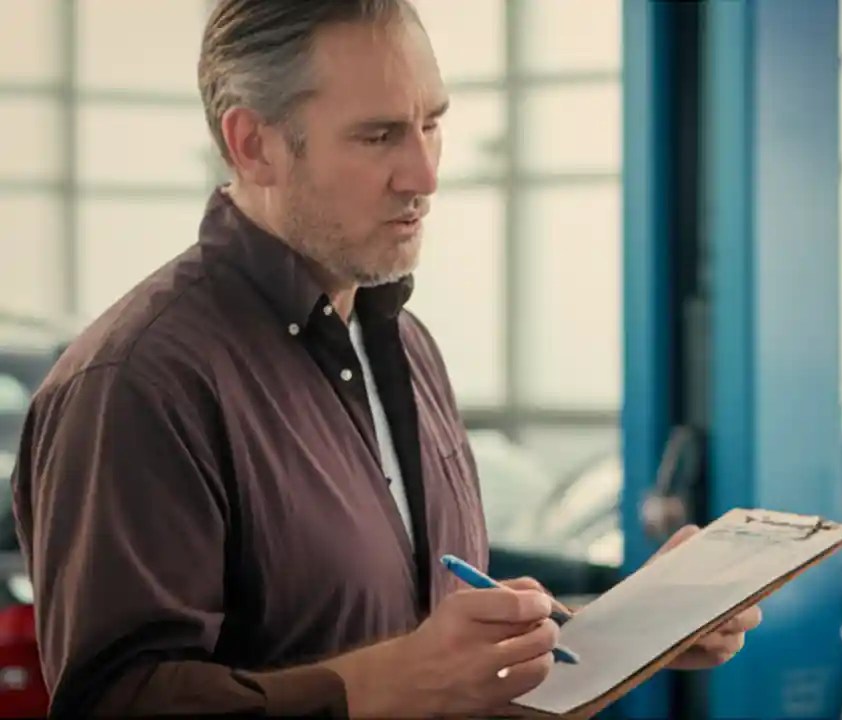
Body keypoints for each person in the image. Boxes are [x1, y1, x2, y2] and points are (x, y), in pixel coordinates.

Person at [10, 1, 761, 717]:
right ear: (253, 144)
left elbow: (431, 650)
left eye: (431, 125)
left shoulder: (402, 342)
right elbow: (117, 703)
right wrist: (383, 687)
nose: (425, 176)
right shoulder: (138, 383)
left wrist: (630, 631)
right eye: (378, 137)